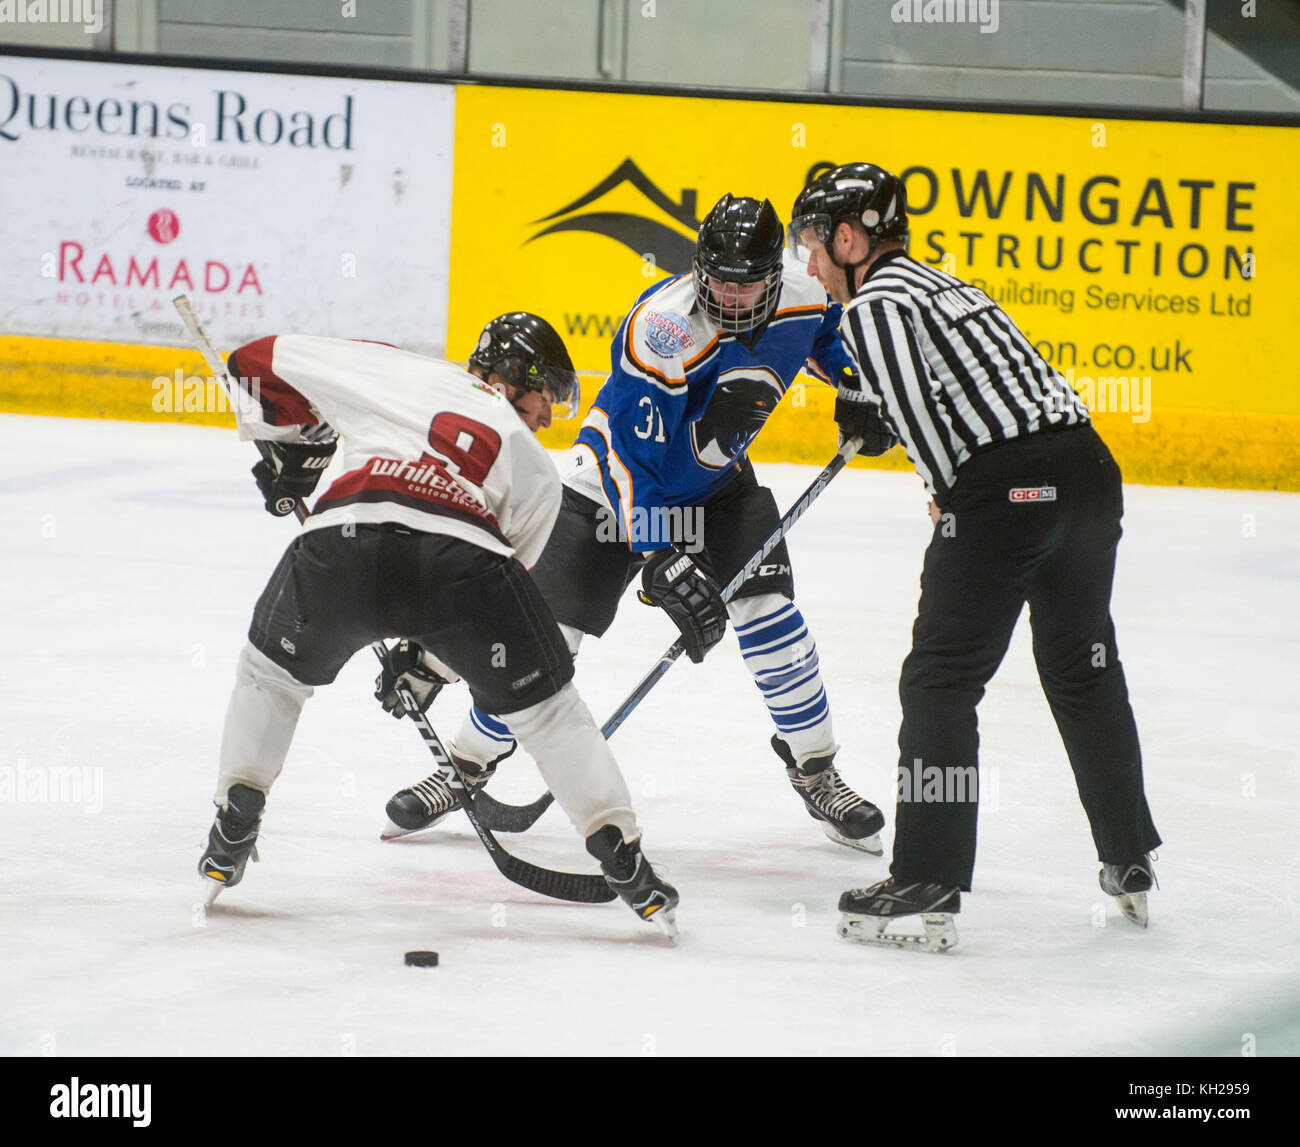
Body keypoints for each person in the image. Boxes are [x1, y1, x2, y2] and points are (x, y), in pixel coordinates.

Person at [384, 195, 887, 854]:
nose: (732, 298)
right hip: (610, 490)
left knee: (771, 617)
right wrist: (659, 552)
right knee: (546, 643)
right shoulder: (663, 329)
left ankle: (817, 769)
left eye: (748, 283)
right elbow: (632, 461)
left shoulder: (802, 292)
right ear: (699, 268)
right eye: (719, 282)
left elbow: (824, 338)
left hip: (716, 488)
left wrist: (853, 385)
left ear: (774, 271)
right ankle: (467, 763)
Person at [197, 313, 678, 936]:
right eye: (545, 396)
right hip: (462, 564)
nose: (550, 416)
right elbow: (496, 589)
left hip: (341, 541)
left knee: (270, 676)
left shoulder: (393, 368)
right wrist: (427, 660)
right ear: (509, 383)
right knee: (552, 712)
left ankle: (235, 815)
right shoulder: (535, 469)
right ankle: (623, 855)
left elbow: (254, 364)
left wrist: (296, 447)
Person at [788, 163, 1161, 950]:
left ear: (850, 238)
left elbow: (921, 414)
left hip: (1007, 491)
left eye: (816, 245)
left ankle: (927, 876)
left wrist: (948, 490)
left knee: (939, 681)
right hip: (1090, 475)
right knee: (1083, 666)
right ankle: (1129, 854)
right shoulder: (950, 287)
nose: (811, 264)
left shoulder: (875, 305)